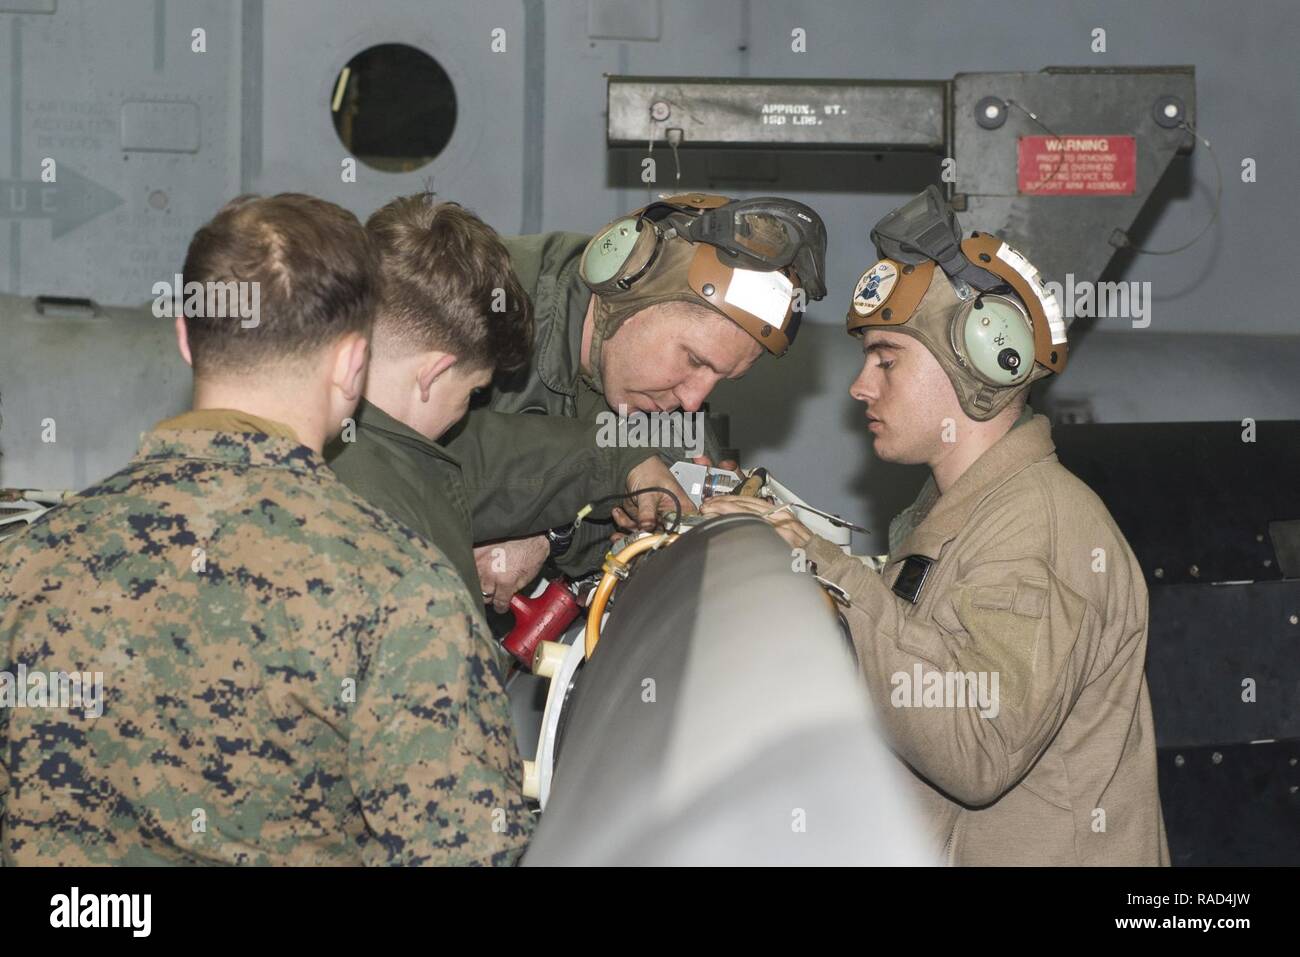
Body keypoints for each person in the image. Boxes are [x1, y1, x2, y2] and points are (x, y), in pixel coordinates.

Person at [0, 193, 531, 866]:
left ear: (187, 337)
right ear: (351, 366)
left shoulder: (27, 567)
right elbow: (467, 850)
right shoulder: (400, 591)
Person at [704, 187, 1169, 866]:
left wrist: (825, 573)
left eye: (887, 358)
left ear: (982, 362)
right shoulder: (963, 511)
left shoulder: (1037, 528)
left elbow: (980, 745)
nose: (861, 386)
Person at [448, 192, 829, 596]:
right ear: (628, 283)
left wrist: (556, 533)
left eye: (721, 378)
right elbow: (400, 457)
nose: (693, 400)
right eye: (695, 360)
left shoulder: (667, 413)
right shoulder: (475, 301)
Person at [328, 195, 690, 614]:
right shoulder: (382, 536)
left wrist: (627, 462)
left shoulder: (350, 428)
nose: (466, 414)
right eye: (471, 394)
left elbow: (494, 456)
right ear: (431, 375)